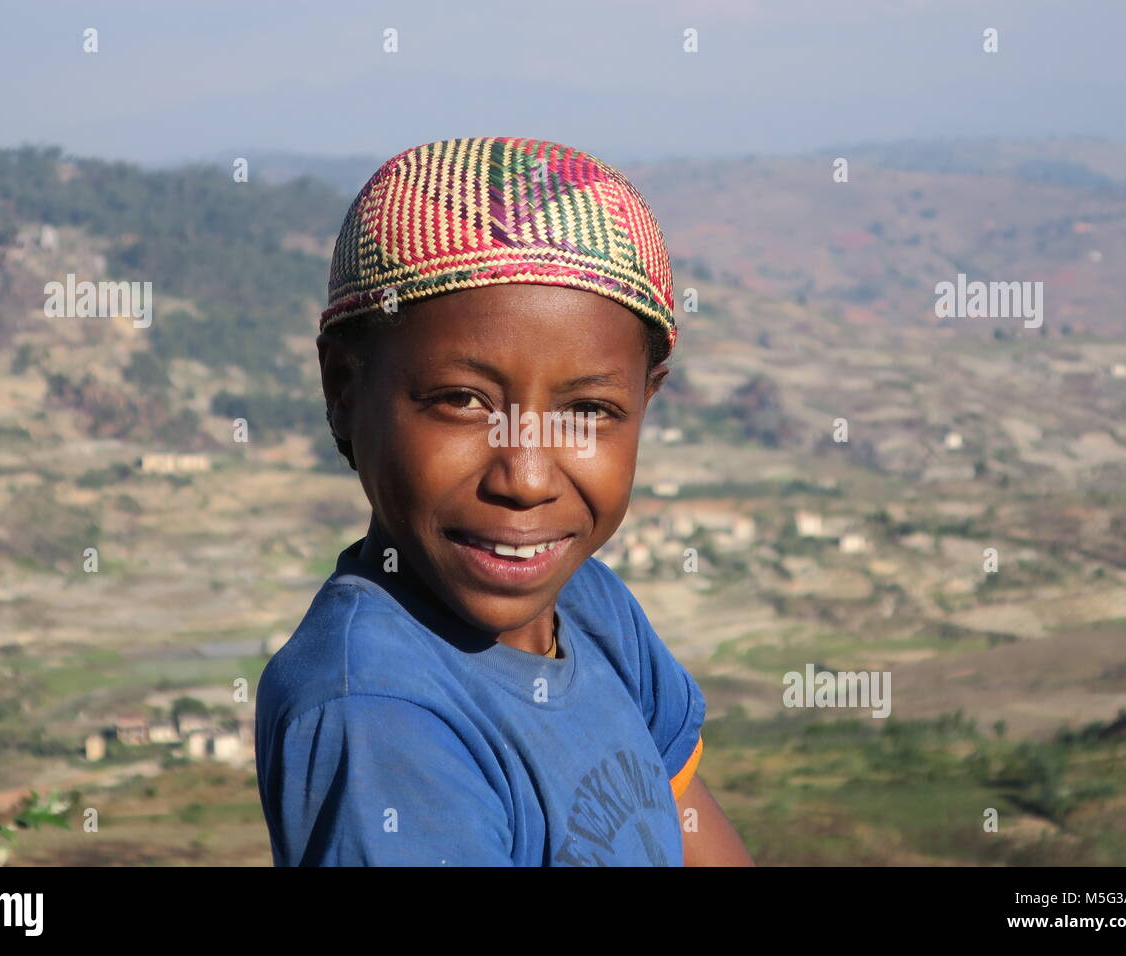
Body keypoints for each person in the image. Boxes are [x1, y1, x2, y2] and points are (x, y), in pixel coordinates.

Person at [255, 136, 753, 866]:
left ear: (647, 400)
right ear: (344, 389)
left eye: (586, 411)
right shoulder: (379, 720)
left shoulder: (590, 607)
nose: (524, 477)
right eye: (461, 401)